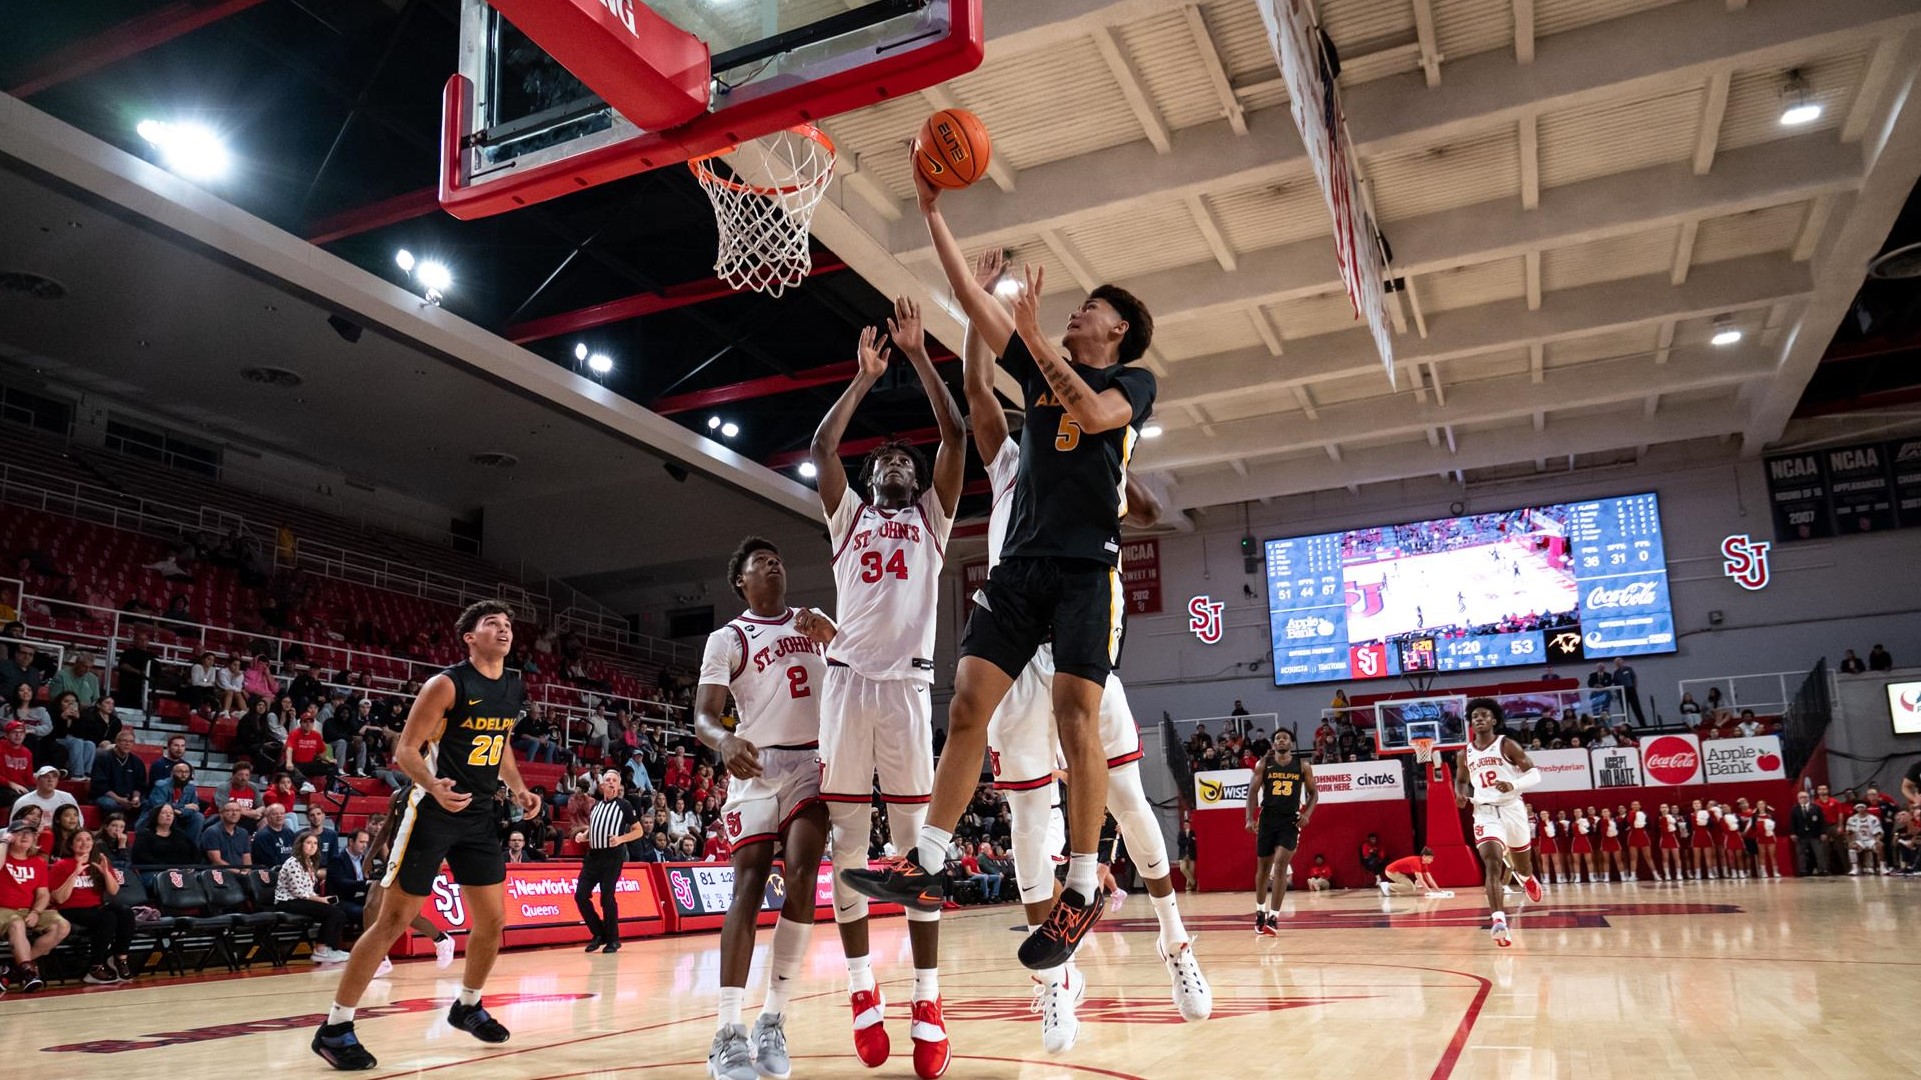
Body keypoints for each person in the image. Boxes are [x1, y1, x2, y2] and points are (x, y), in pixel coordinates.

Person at [842, 156, 1159, 999]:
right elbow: (975, 330)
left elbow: (1089, 412)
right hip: (1017, 572)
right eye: (1078, 305)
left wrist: (1030, 334)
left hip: (1086, 573)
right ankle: (927, 862)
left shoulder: (1130, 382)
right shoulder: (1027, 403)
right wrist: (929, 212)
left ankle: (1083, 886)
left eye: (1091, 308)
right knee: (966, 708)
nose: (1079, 311)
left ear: (1116, 330)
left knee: (1074, 719)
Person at [938, 254, 1205, 1054]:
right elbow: (979, 394)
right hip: (1017, 642)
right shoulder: (1011, 457)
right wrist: (981, 310)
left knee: (1127, 798)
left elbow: (1113, 456)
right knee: (1026, 822)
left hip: (1077, 629)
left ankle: (1174, 942)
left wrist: (1132, 487)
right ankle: (1054, 984)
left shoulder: (1082, 444)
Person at [801, 297, 963, 1079]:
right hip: (844, 689)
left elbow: (957, 435)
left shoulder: (933, 519)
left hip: (905, 693)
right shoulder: (849, 520)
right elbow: (821, 444)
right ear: (870, 480)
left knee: (913, 855)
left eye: (907, 461)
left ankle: (926, 999)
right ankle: (863, 991)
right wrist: (864, 379)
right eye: (886, 462)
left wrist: (922, 357)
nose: (898, 465)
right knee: (848, 847)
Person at [312, 601, 539, 1070]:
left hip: (479, 815)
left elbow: (500, 745)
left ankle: (468, 1005)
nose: (503, 629)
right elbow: (406, 751)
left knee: (493, 922)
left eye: (508, 624)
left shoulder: (514, 686)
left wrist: (517, 788)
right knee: (392, 922)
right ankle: (335, 1027)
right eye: (491, 624)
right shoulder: (446, 684)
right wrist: (432, 784)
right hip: (431, 812)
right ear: (469, 638)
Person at [693, 538, 837, 1080]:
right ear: (741, 581)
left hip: (812, 765)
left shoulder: (814, 621)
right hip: (755, 766)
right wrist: (723, 741)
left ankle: (773, 1019)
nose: (774, 563)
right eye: (761, 562)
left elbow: (857, 668)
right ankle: (727, 1031)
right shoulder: (727, 638)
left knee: (802, 876)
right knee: (748, 888)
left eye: (778, 558)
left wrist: (836, 637)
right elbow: (705, 715)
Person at [1454, 698, 1544, 947]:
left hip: (1512, 808)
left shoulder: (1507, 744)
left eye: (1484, 715)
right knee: (1492, 863)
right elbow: (1461, 779)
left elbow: (1535, 774)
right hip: (1484, 811)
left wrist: (1513, 784)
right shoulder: (1464, 753)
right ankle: (1498, 920)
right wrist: (1460, 794)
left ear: (1494, 719)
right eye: (1474, 716)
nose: (1479, 719)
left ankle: (1526, 878)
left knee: (1521, 865)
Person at [362, 785, 457, 978]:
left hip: (420, 858)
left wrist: (438, 858)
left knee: (404, 913)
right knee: (372, 904)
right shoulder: (398, 794)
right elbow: (386, 828)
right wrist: (369, 856)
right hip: (396, 857)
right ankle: (378, 958)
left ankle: (441, 939)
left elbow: (444, 831)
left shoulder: (435, 794)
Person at [1246, 728, 1316, 936]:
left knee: (1281, 865)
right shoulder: (1263, 764)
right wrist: (1249, 818)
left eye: (1285, 738)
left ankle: (1274, 917)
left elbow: (1314, 793)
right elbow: (1252, 791)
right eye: (1278, 738)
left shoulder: (1302, 765)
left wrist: (1307, 814)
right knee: (1264, 867)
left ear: (1291, 743)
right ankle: (1260, 911)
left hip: (1290, 820)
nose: (1281, 740)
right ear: (1274, 744)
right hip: (1268, 818)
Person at [50, 826, 135, 983]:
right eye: (79, 840)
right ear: (71, 845)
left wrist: (105, 872)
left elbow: (114, 891)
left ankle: (119, 958)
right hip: (69, 909)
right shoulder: (61, 865)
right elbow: (59, 899)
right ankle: (95, 967)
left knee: (125, 911)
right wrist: (75, 872)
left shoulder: (100, 862)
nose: (84, 843)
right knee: (107, 918)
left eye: (88, 839)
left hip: (94, 907)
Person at [573, 769, 643, 954]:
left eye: (614, 780)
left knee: (606, 898)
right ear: (602, 785)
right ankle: (598, 933)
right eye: (607, 780)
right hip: (593, 856)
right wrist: (583, 836)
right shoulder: (595, 807)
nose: (610, 782)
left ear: (619, 785)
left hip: (613, 856)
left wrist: (620, 839)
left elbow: (639, 831)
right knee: (580, 895)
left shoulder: (624, 805)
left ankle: (613, 939)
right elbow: (594, 828)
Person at [0, 819, 70, 991]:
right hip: (3, 910)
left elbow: (43, 894)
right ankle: (29, 973)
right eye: (19, 832)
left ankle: (15, 969)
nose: (25, 836)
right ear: (10, 836)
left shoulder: (38, 862)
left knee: (62, 926)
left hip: (28, 910)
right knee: (16, 922)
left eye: (29, 833)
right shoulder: (3, 856)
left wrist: (36, 912)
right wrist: (3, 842)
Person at [277, 829, 352, 963]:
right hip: (288, 901)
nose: (312, 846)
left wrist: (320, 899)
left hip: (302, 899)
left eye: (315, 843)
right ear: (300, 845)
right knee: (332, 913)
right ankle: (321, 949)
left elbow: (308, 890)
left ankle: (332, 949)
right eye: (309, 843)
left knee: (340, 912)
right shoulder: (293, 862)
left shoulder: (309, 863)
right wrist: (320, 899)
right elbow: (298, 892)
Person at [91, 729, 145, 819]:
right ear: (117, 742)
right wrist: (119, 799)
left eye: (131, 741)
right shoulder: (103, 758)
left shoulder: (137, 761)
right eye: (124, 741)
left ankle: (134, 831)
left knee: (147, 805)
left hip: (128, 797)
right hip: (106, 796)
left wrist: (136, 798)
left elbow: (140, 784)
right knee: (111, 805)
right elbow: (100, 785)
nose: (127, 744)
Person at [145, 760, 206, 837]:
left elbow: (195, 807)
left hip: (181, 817)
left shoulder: (191, 788)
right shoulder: (161, 785)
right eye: (180, 772)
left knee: (198, 817)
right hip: (160, 816)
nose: (183, 775)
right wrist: (184, 806)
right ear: (172, 774)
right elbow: (158, 806)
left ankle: (190, 846)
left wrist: (181, 812)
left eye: (187, 772)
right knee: (165, 814)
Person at [134, 802, 201, 866]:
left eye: (171, 813)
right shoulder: (144, 835)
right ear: (155, 815)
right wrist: (165, 868)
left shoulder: (180, 834)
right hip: (154, 871)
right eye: (164, 812)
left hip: (182, 872)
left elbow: (195, 854)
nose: (168, 815)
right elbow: (142, 857)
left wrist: (191, 867)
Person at [11, 764, 78, 824]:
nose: (50, 779)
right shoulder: (23, 801)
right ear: (37, 780)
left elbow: (79, 821)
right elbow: (13, 825)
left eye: (54, 776)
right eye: (46, 776)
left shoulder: (68, 798)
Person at [200, 800, 254, 868]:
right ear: (221, 814)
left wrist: (247, 871)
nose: (234, 813)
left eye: (237, 811)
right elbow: (216, 861)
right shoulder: (212, 832)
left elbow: (247, 857)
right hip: (220, 874)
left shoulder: (243, 832)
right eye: (229, 810)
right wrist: (238, 872)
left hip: (241, 874)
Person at [1789, 791, 1829, 876]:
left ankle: (1822, 869)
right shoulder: (1795, 809)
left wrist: (1823, 833)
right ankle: (1802, 870)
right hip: (1801, 835)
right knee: (1801, 853)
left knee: (1819, 852)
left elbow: (1822, 821)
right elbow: (1792, 822)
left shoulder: (1816, 807)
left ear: (1808, 798)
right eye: (1801, 797)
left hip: (1815, 834)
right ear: (1798, 799)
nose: (1803, 799)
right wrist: (1793, 833)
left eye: (1805, 797)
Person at [1846, 803, 1885, 875]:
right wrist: (1851, 841)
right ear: (1856, 809)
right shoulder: (1851, 819)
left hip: (1871, 839)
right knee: (1852, 847)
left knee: (1880, 845)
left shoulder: (1873, 818)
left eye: (1862, 807)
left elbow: (1878, 832)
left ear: (1865, 808)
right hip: (1858, 840)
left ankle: (1882, 867)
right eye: (1858, 808)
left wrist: (1878, 840)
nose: (1860, 809)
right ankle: (1855, 868)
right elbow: (1849, 833)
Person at [1177, 821, 1197, 893]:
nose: (1186, 826)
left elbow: (1194, 843)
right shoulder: (1181, 833)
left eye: (1188, 824)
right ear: (1183, 825)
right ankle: (1194, 882)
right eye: (1185, 824)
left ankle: (1188, 887)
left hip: (1191, 854)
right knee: (1183, 868)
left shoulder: (1192, 833)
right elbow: (1179, 843)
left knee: (1191, 871)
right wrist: (1189, 840)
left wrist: (1189, 840)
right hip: (1183, 854)